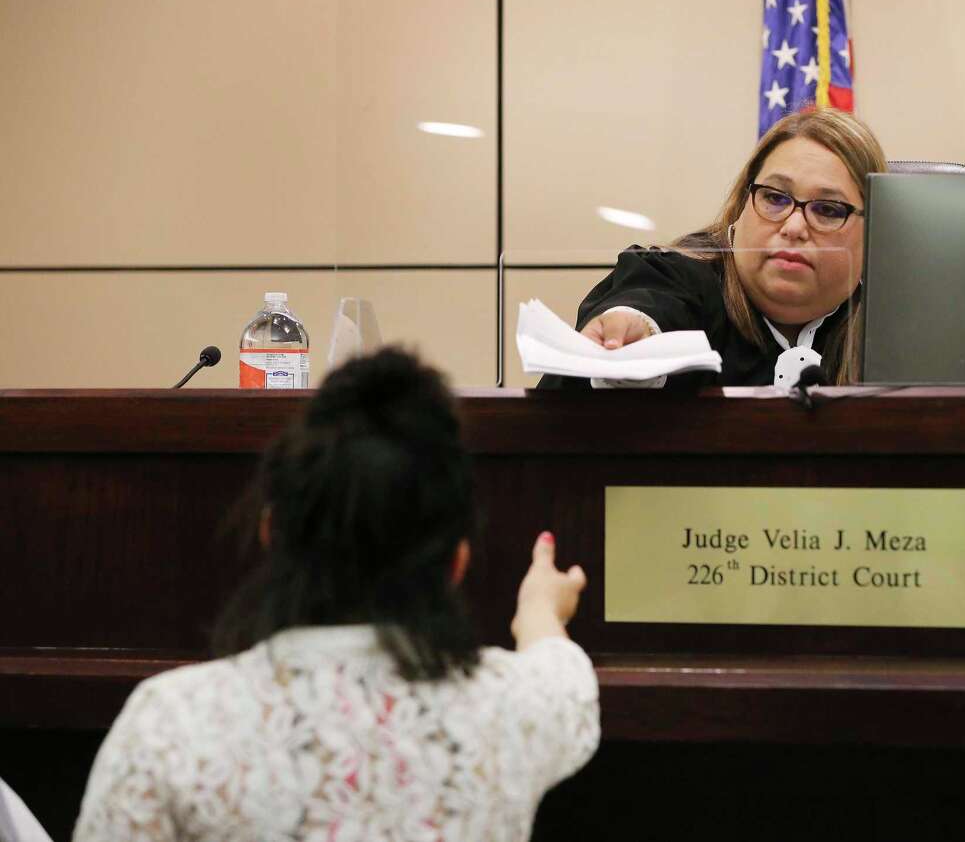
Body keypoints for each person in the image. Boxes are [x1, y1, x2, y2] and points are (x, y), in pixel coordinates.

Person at [74, 348, 598, 841]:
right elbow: (561, 669)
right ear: (456, 564)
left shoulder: (169, 723)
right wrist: (538, 610)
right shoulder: (517, 708)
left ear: (271, 533)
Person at [539, 106, 887, 389]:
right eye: (775, 198)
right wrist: (636, 334)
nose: (794, 227)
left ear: (872, 232)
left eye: (828, 210)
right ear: (741, 207)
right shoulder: (682, 276)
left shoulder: (895, 325)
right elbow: (651, 300)